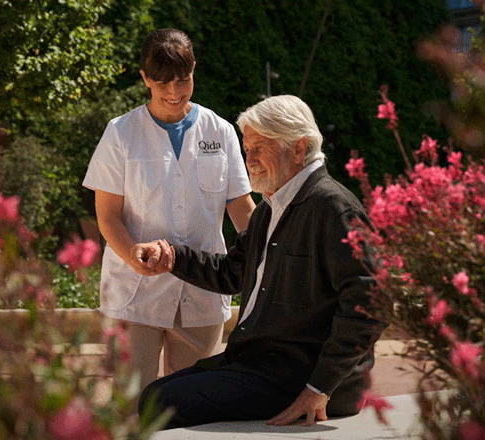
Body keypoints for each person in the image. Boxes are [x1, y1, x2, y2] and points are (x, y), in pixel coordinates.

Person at [130, 95, 386, 428]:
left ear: (297, 148)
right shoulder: (269, 209)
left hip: (302, 378)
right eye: (246, 148)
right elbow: (231, 273)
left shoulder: (333, 207)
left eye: (259, 148)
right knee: (153, 395)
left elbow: (372, 302)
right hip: (261, 365)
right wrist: (172, 257)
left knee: (162, 402)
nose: (248, 159)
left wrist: (319, 387)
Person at [82, 28, 255, 391]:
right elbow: (108, 216)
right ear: (145, 77)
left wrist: (275, 252)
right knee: (132, 405)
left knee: (193, 407)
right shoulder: (120, 133)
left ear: (194, 70)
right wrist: (133, 257)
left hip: (203, 292)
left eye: (183, 79)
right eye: (162, 82)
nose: (174, 92)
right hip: (134, 295)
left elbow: (241, 208)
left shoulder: (220, 132)